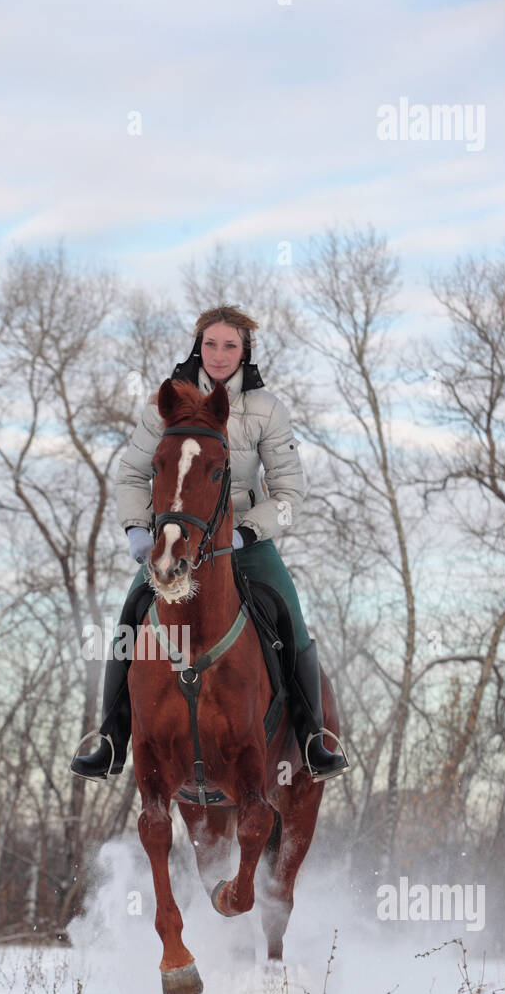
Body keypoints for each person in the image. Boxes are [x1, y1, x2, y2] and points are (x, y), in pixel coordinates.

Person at [70, 305, 349, 782]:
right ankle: (111, 740)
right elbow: (134, 474)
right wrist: (139, 528)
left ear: (246, 352)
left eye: (231, 346)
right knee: (130, 615)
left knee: (291, 616)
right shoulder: (165, 405)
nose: (219, 355)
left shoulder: (266, 410)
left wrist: (246, 532)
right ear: (198, 345)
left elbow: (288, 493)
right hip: (176, 541)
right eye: (212, 344)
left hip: (244, 541)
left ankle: (311, 737)